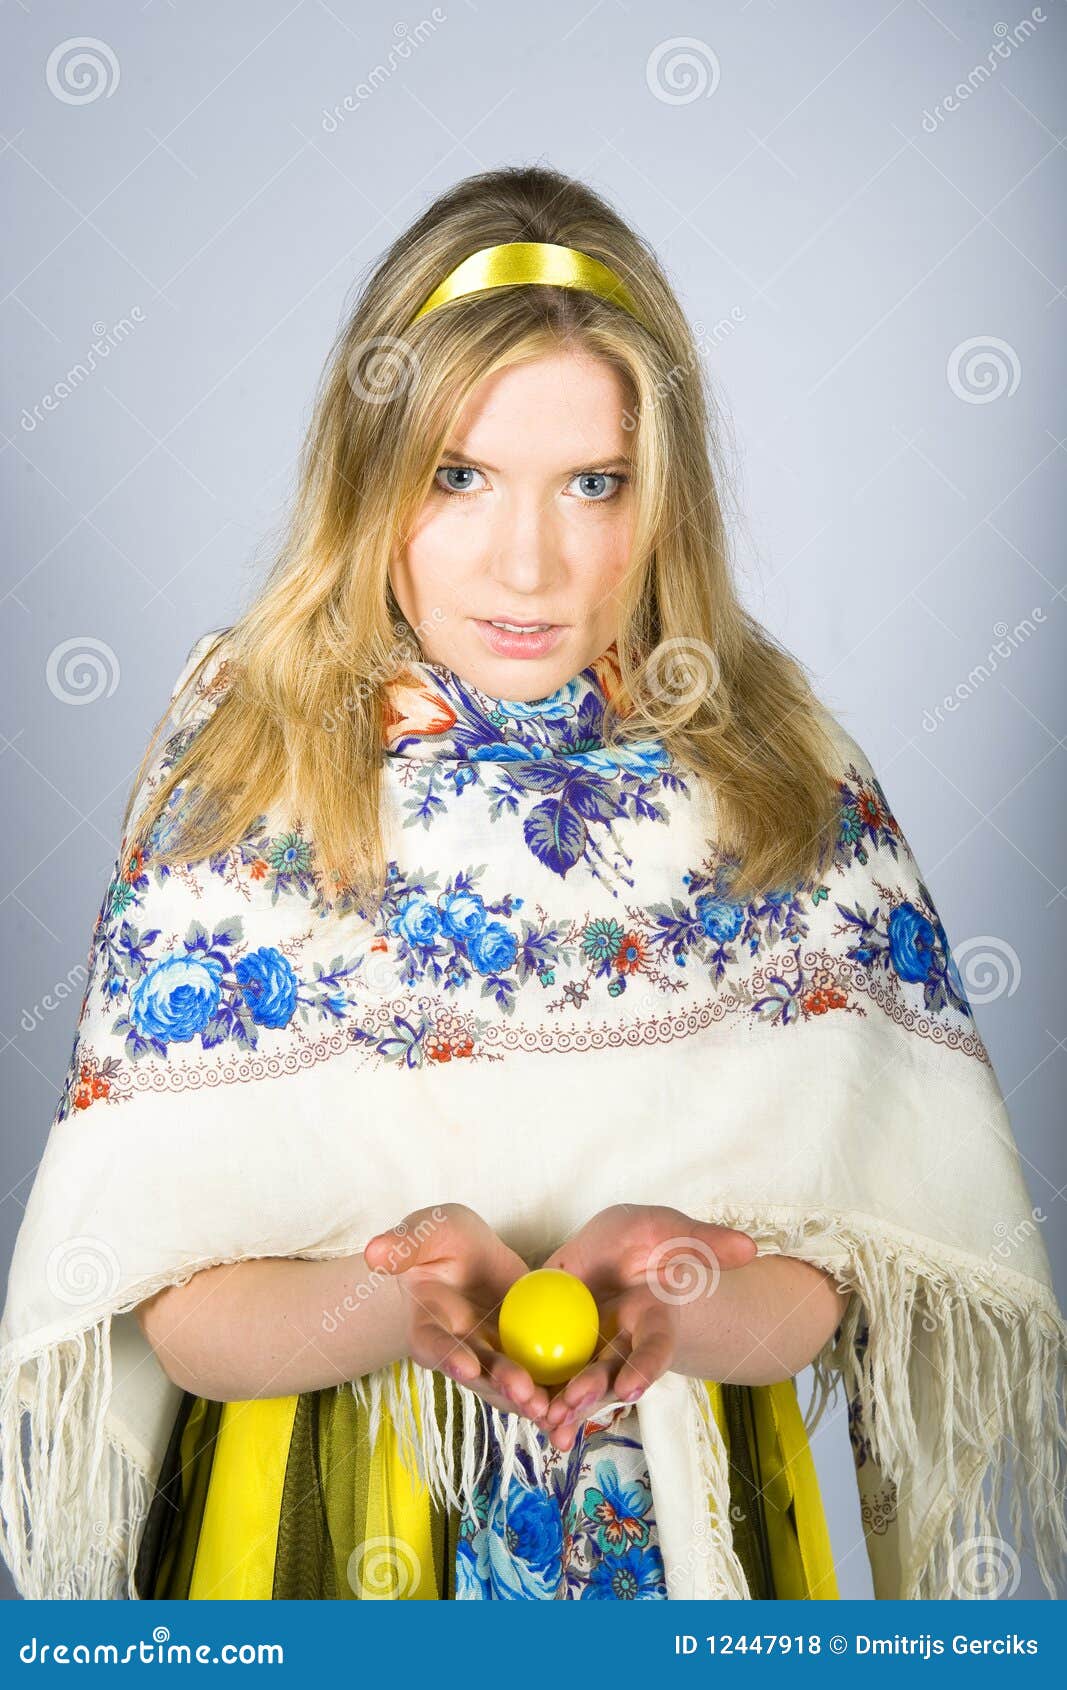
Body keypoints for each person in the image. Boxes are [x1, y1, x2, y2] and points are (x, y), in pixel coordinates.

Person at [0, 165, 1062, 1603]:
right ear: (369, 476)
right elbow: (178, 1308)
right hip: (324, 1520)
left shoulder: (768, 761)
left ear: (663, 495)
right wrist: (394, 1299)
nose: (529, 561)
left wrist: (678, 1297)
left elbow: (831, 1282)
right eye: (459, 477)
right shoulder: (257, 757)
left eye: (593, 484)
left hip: (683, 1535)